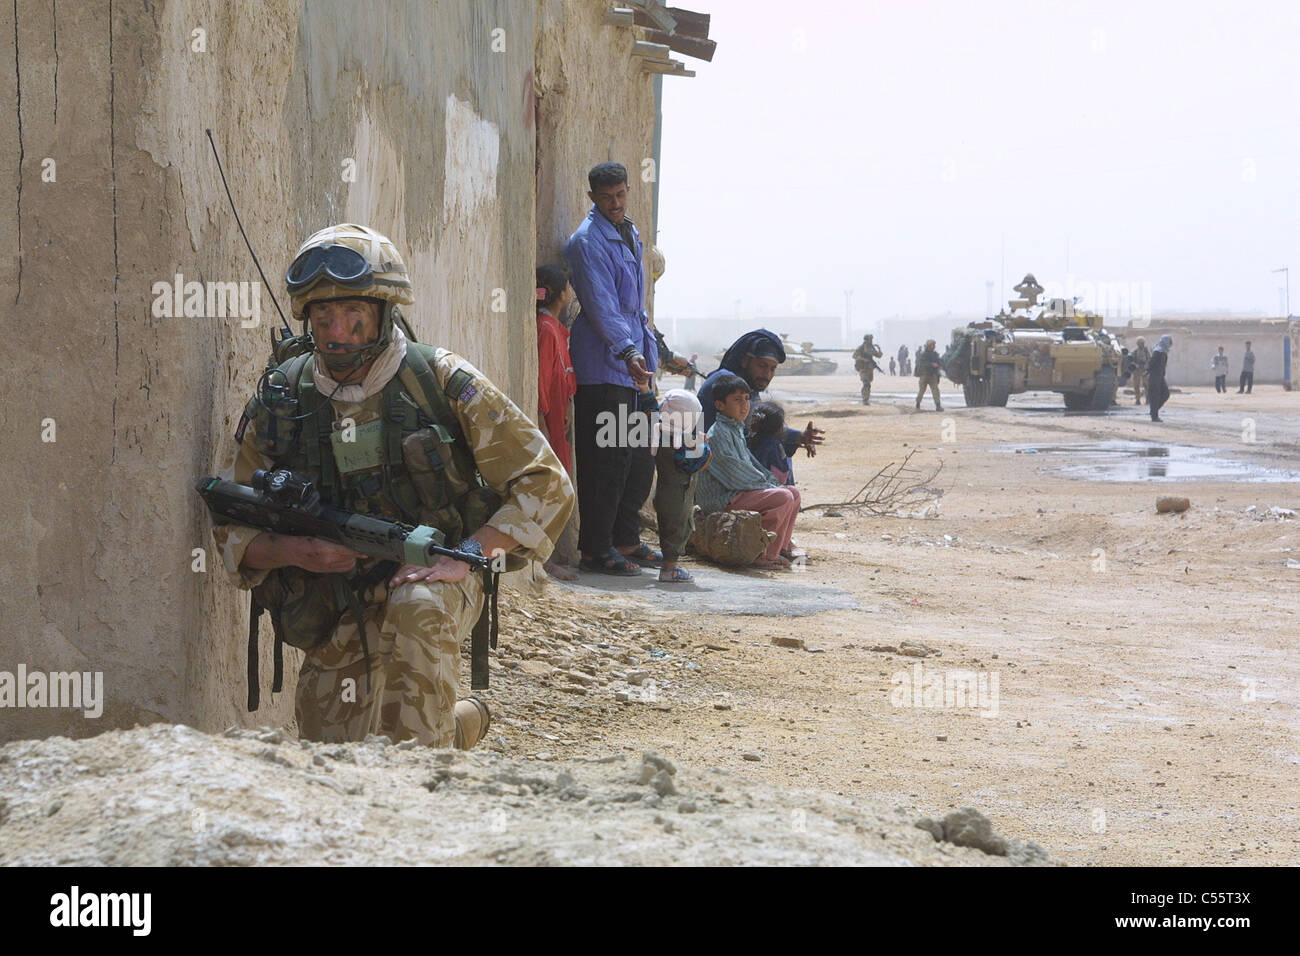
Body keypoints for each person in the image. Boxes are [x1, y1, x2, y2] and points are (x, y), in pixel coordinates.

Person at [211, 223, 573, 749]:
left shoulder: (442, 380)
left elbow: (545, 482)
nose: (337, 332)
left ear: (382, 312)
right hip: (338, 596)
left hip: (439, 577)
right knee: (332, 754)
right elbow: (230, 519)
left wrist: (469, 553)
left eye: (352, 316)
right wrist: (294, 550)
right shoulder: (284, 395)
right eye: (323, 316)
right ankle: (461, 724)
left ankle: (425, 793)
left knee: (418, 609)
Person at [564, 162, 661, 575]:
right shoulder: (586, 243)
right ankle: (595, 549)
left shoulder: (630, 231)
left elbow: (635, 307)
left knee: (637, 459)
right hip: (605, 368)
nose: (615, 203)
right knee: (606, 461)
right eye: (606, 198)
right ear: (593, 198)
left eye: (620, 195)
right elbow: (601, 305)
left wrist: (648, 352)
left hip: (635, 366)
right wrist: (626, 349)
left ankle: (626, 538)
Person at [696, 375, 800, 570]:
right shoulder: (718, 433)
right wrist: (770, 486)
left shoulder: (734, 428)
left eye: (746, 398)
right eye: (737, 400)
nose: (744, 405)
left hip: (738, 493)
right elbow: (735, 474)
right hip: (722, 498)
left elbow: (751, 464)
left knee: (793, 492)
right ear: (719, 405)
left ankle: (780, 548)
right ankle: (762, 555)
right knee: (783, 497)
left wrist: (771, 482)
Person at [698, 328, 826, 456]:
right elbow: (693, 430)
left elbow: (761, 426)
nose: (767, 374)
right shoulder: (723, 381)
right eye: (762, 366)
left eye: (772, 368)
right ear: (745, 361)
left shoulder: (747, 389)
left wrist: (799, 437)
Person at [535, 264, 580, 581]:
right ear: (561, 293)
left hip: (559, 421)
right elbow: (542, 382)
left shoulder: (556, 330)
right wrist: (546, 422)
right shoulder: (546, 331)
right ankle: (543, 558)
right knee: (549, 489)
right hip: (551, 423)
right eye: (569, 285)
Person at [647, 388, 711, 583]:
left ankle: (669, 565)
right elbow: (702, 462)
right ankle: (669, 568)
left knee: (667, 526)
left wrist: (645, 392)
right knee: (677, 529)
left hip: (665, 492)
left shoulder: (657, 431)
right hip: (680, 495)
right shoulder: (682, 441)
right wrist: (703, 444)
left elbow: (650, 409)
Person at [748, 401, 793, 485]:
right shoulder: (774, 444)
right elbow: (782, 474)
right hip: (769, 486)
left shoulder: (747, 439)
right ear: (779, 427)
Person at [852, 333, 883, 405]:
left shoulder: (871, 348)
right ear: (866, 340)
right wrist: (863, 359)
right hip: (863, 368)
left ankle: (866, 398)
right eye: (870, 339)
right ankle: (865, 400)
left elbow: (879, 356)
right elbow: (854, 356)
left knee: (869, 384)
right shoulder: (861, 348)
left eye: (872, 339)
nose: (871, 341)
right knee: (866, 383)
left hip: (869, 368)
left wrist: (879, 349)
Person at [1147, 334, 1172, 421]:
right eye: (1170, 341)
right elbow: (1151, 363)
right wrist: (1147, 371)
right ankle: (1154, 416)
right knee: (1155, 396)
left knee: (1166, 394)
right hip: (1155, 377)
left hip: (1160, 376)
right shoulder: (1158, 351)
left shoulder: (1163, 352)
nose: (1171, 343)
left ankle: (1153, 411)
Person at [915, 338, 944, 411]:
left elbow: (939, 361)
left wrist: (939, 365)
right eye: (932, 345)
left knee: (935, 390)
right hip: (924, 375)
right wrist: (931, 364)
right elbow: (922, 364)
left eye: (934, 345)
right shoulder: (923, 354)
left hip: (932, 375)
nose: (934, 346)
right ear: (928, 345)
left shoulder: (935, 354)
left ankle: (938, 406)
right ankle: (917, 404)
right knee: (922, 390)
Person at [1130, 336, 1150, 405]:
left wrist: (1146, 366)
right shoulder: (1135, 351)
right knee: (1136, 385)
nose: (1142, 344)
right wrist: (1135, 365)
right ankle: (1137, 399)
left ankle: (1147, 399)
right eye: (1140, 343)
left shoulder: (1146, 351)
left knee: (1146, 385)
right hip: (1137, 371)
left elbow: (1149, 360)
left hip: (1144, 370)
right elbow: (1130, 360)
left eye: (1143, 343)